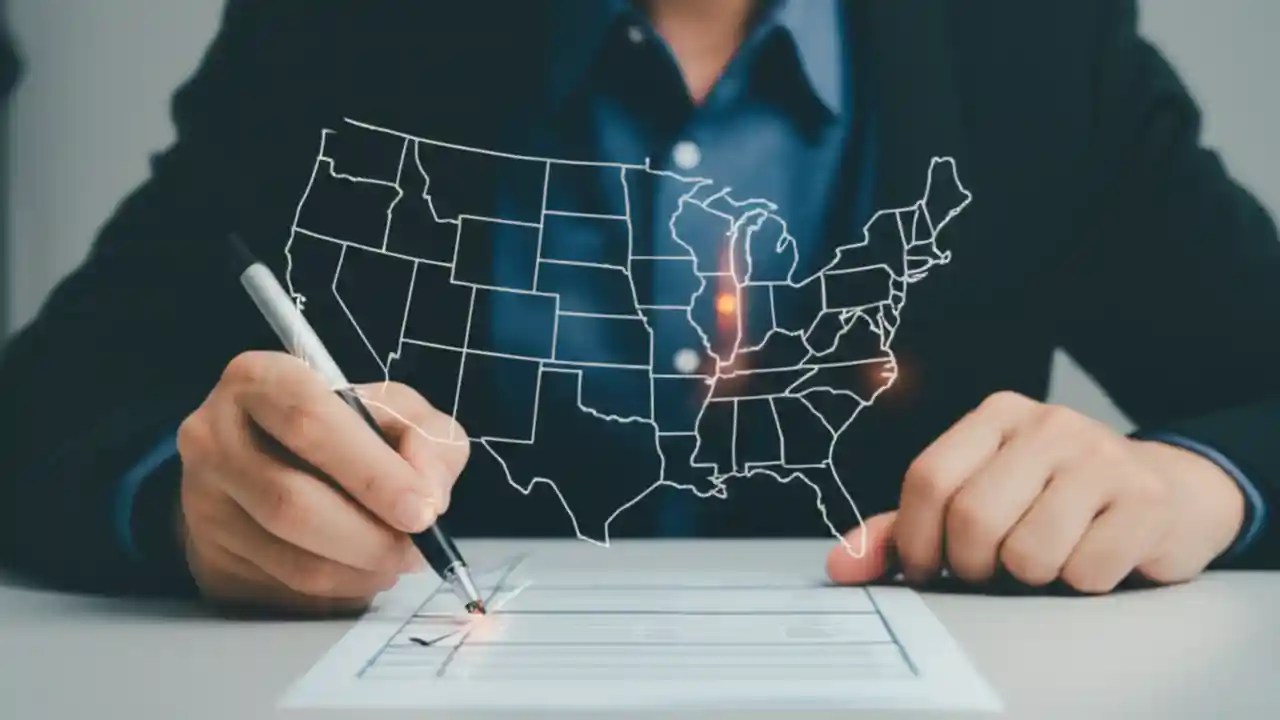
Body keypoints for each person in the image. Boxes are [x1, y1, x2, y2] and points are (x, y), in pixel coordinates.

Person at [1, 0, 1276, 614]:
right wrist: (179, 502)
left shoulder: (1034, 48)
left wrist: (1195, 482)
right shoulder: (340, 31)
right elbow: (40, 407)